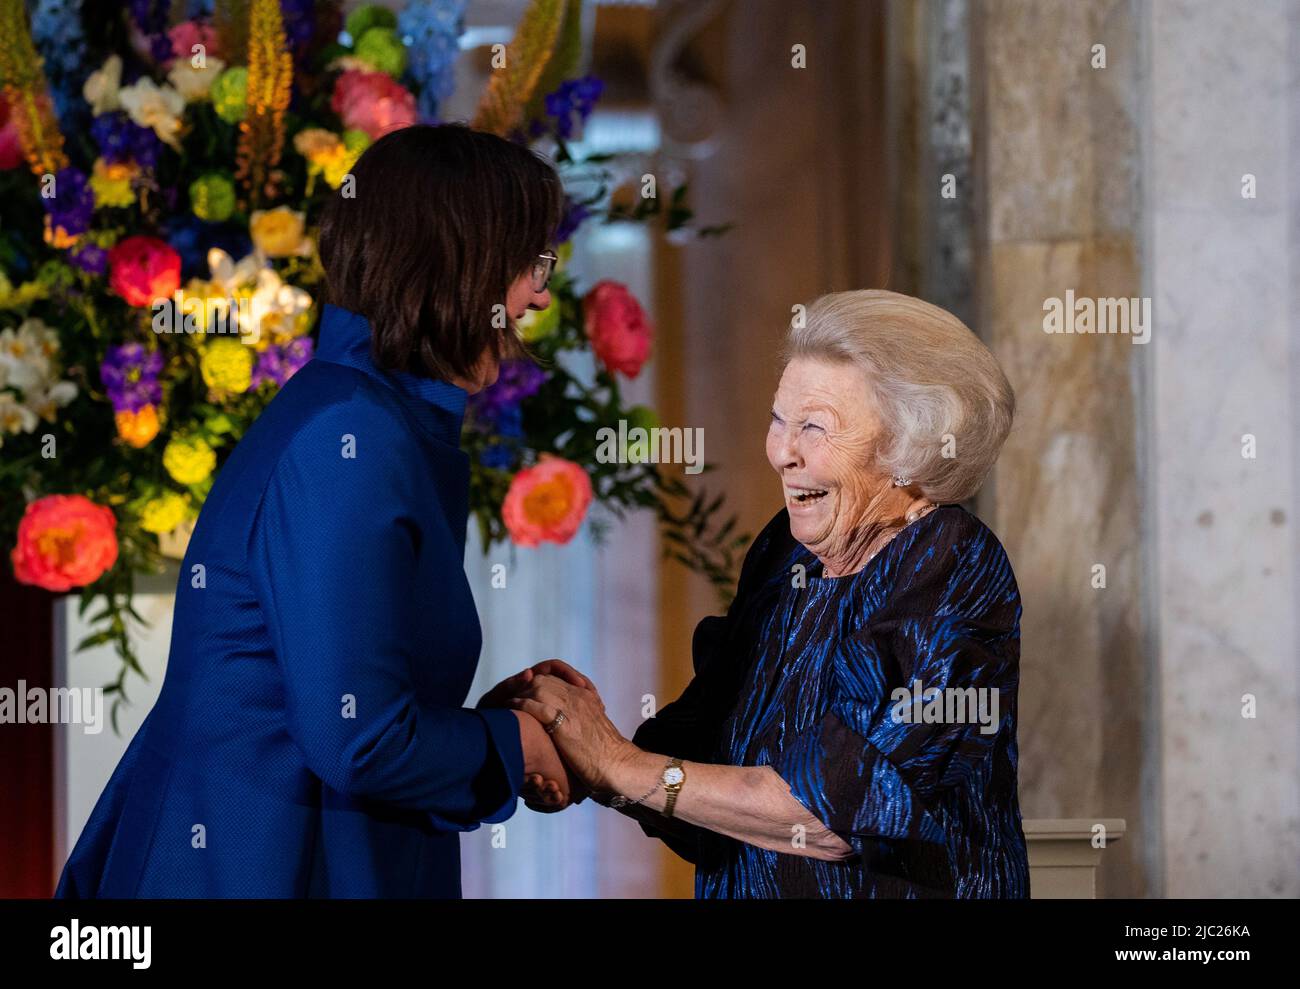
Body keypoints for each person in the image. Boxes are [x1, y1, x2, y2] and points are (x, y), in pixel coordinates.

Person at [56, 124, 584, 898]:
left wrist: (489, 725)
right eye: (528, 261)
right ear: (455, 262)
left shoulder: (371, 415)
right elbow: (359, 736)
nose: (540, 291)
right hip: (256, 861)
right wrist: (512, 745)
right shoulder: (354, 429)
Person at [511, 289, 1031, 897]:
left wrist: (617, 765)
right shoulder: (784, 553)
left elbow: (831, 813)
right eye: (779, 419)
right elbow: (702, 769)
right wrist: (571, 749)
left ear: (907, 446)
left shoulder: (948, 561)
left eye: (814, 426)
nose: (782, 452)